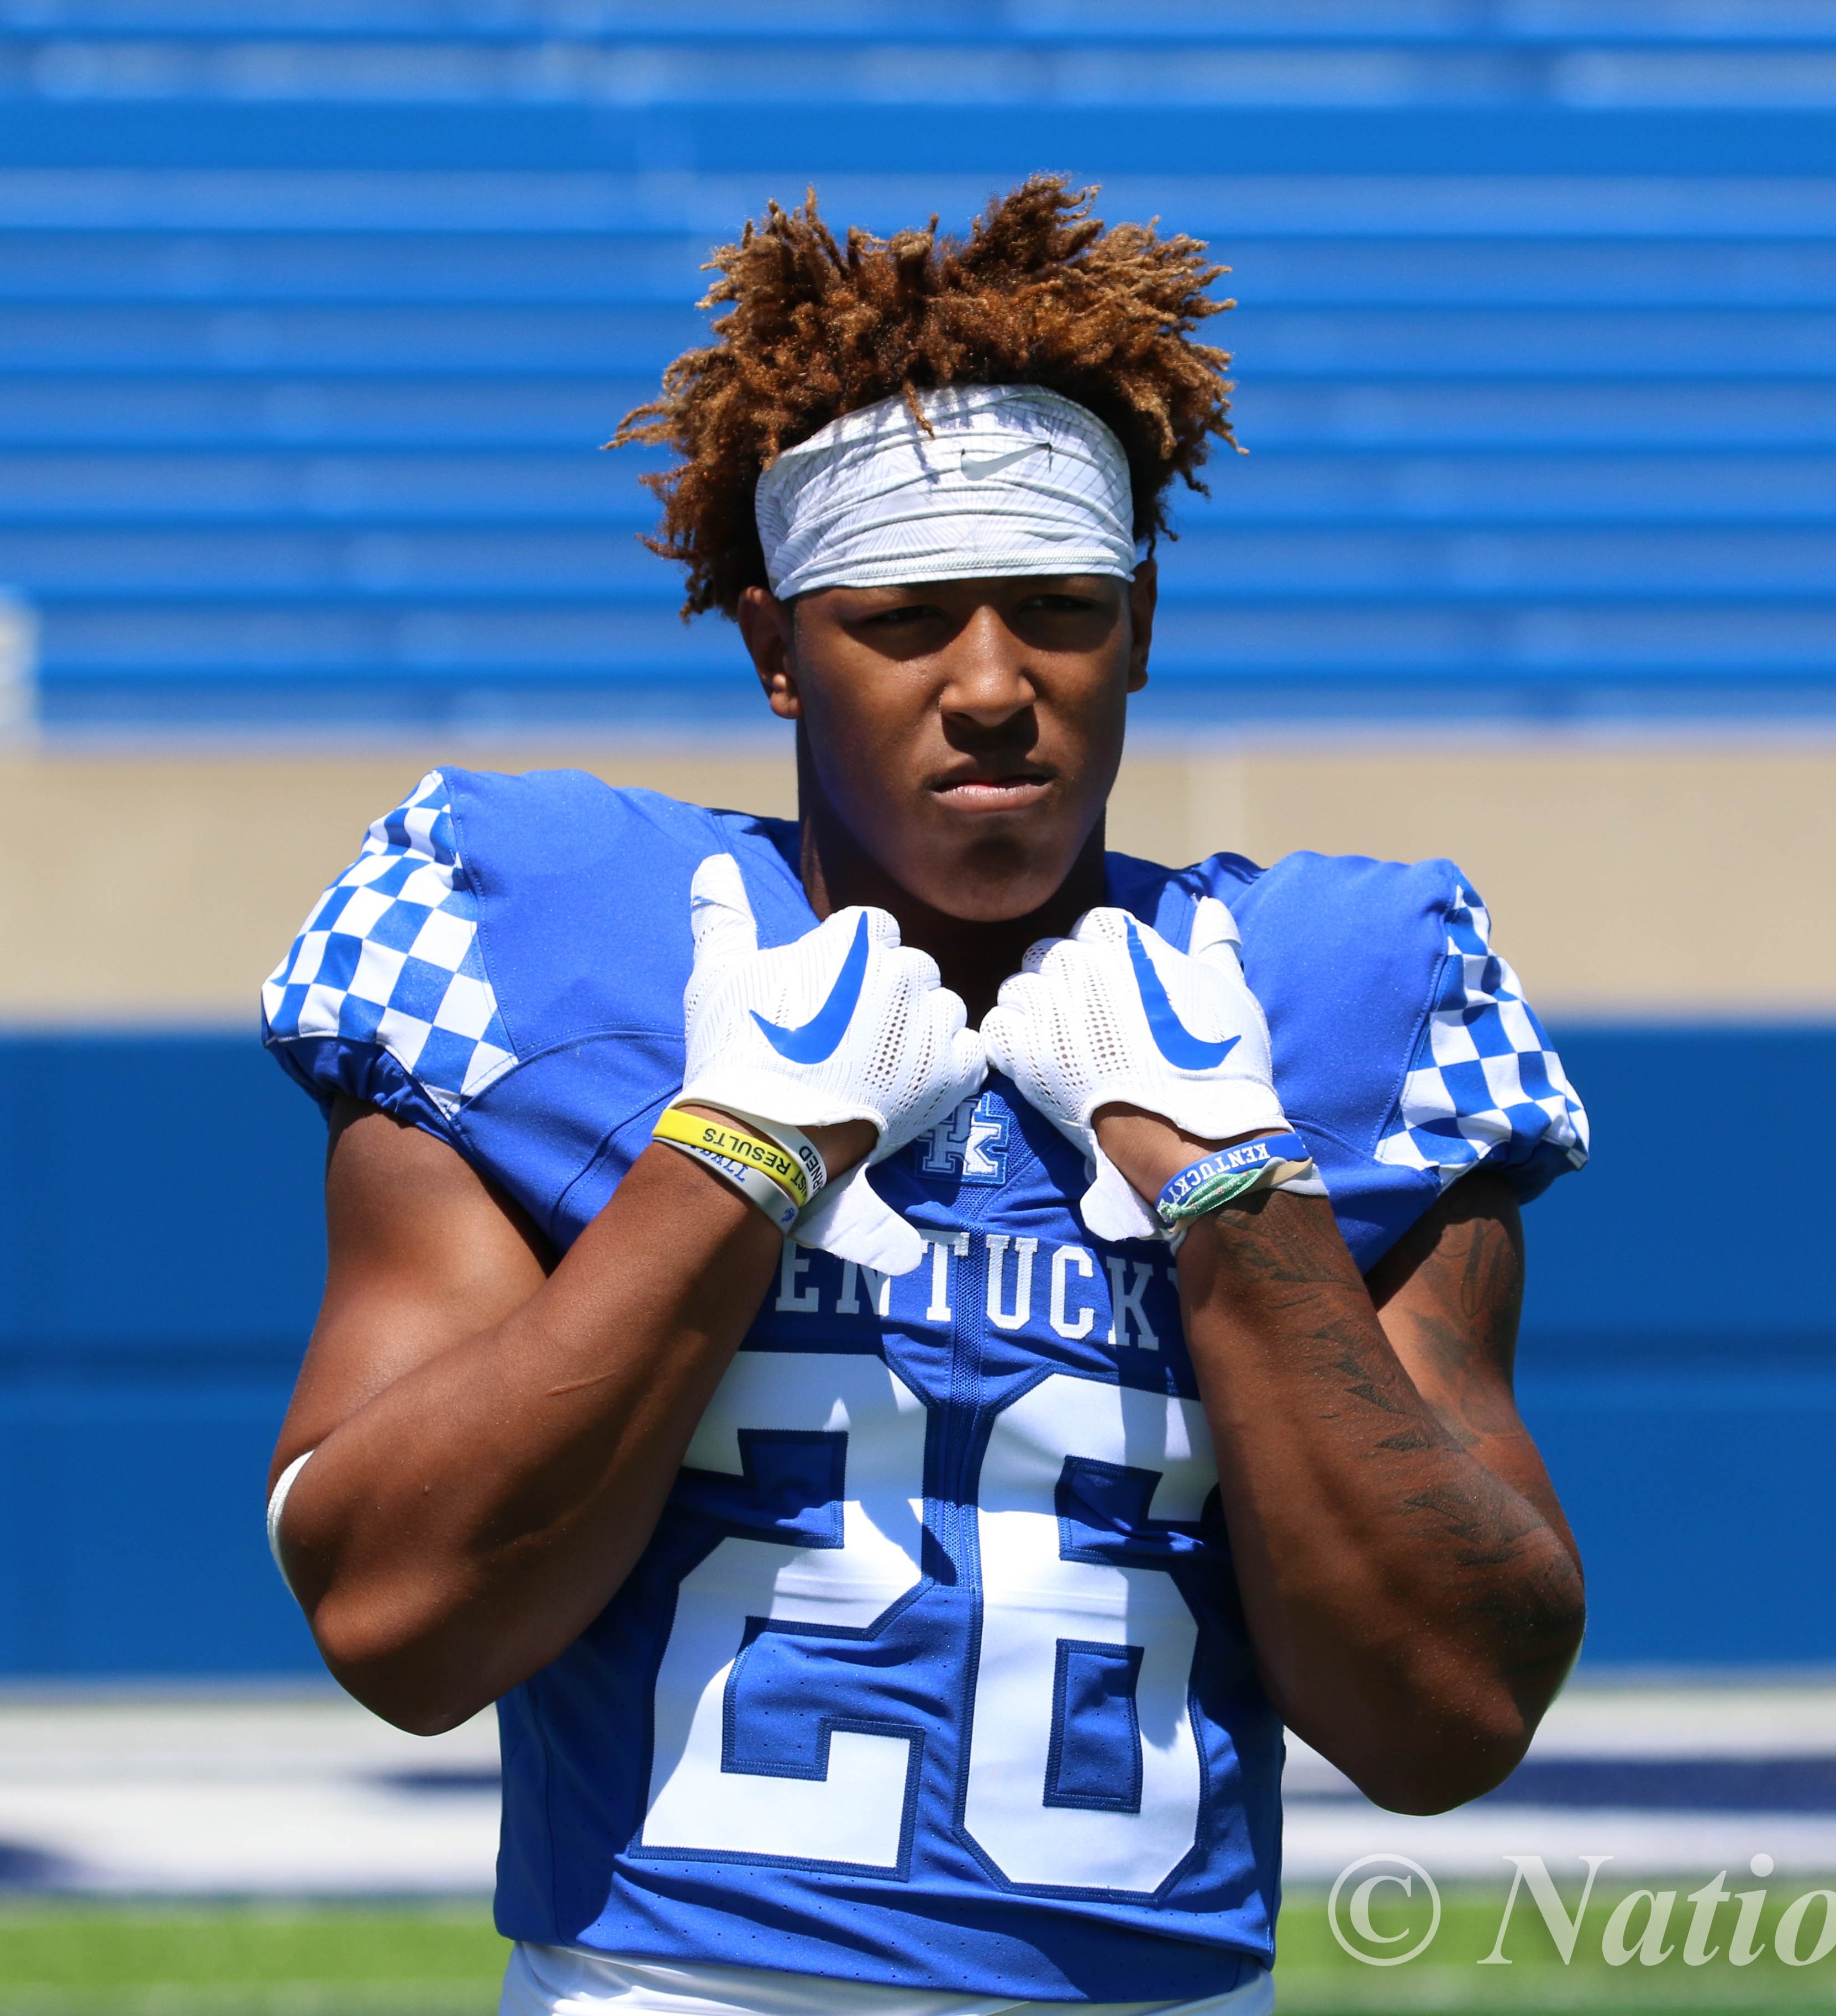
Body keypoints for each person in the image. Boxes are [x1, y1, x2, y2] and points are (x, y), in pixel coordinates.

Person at [257, 177, 1589, 2016]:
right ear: (776, 648)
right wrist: (731, 1162)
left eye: (1055, 611)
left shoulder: (1332, 1001)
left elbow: (1451, 1715)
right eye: (905, 620)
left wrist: (1231, 1194)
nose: (991, 687)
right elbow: (392, 1621)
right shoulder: (548, 942)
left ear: (1137, 631)